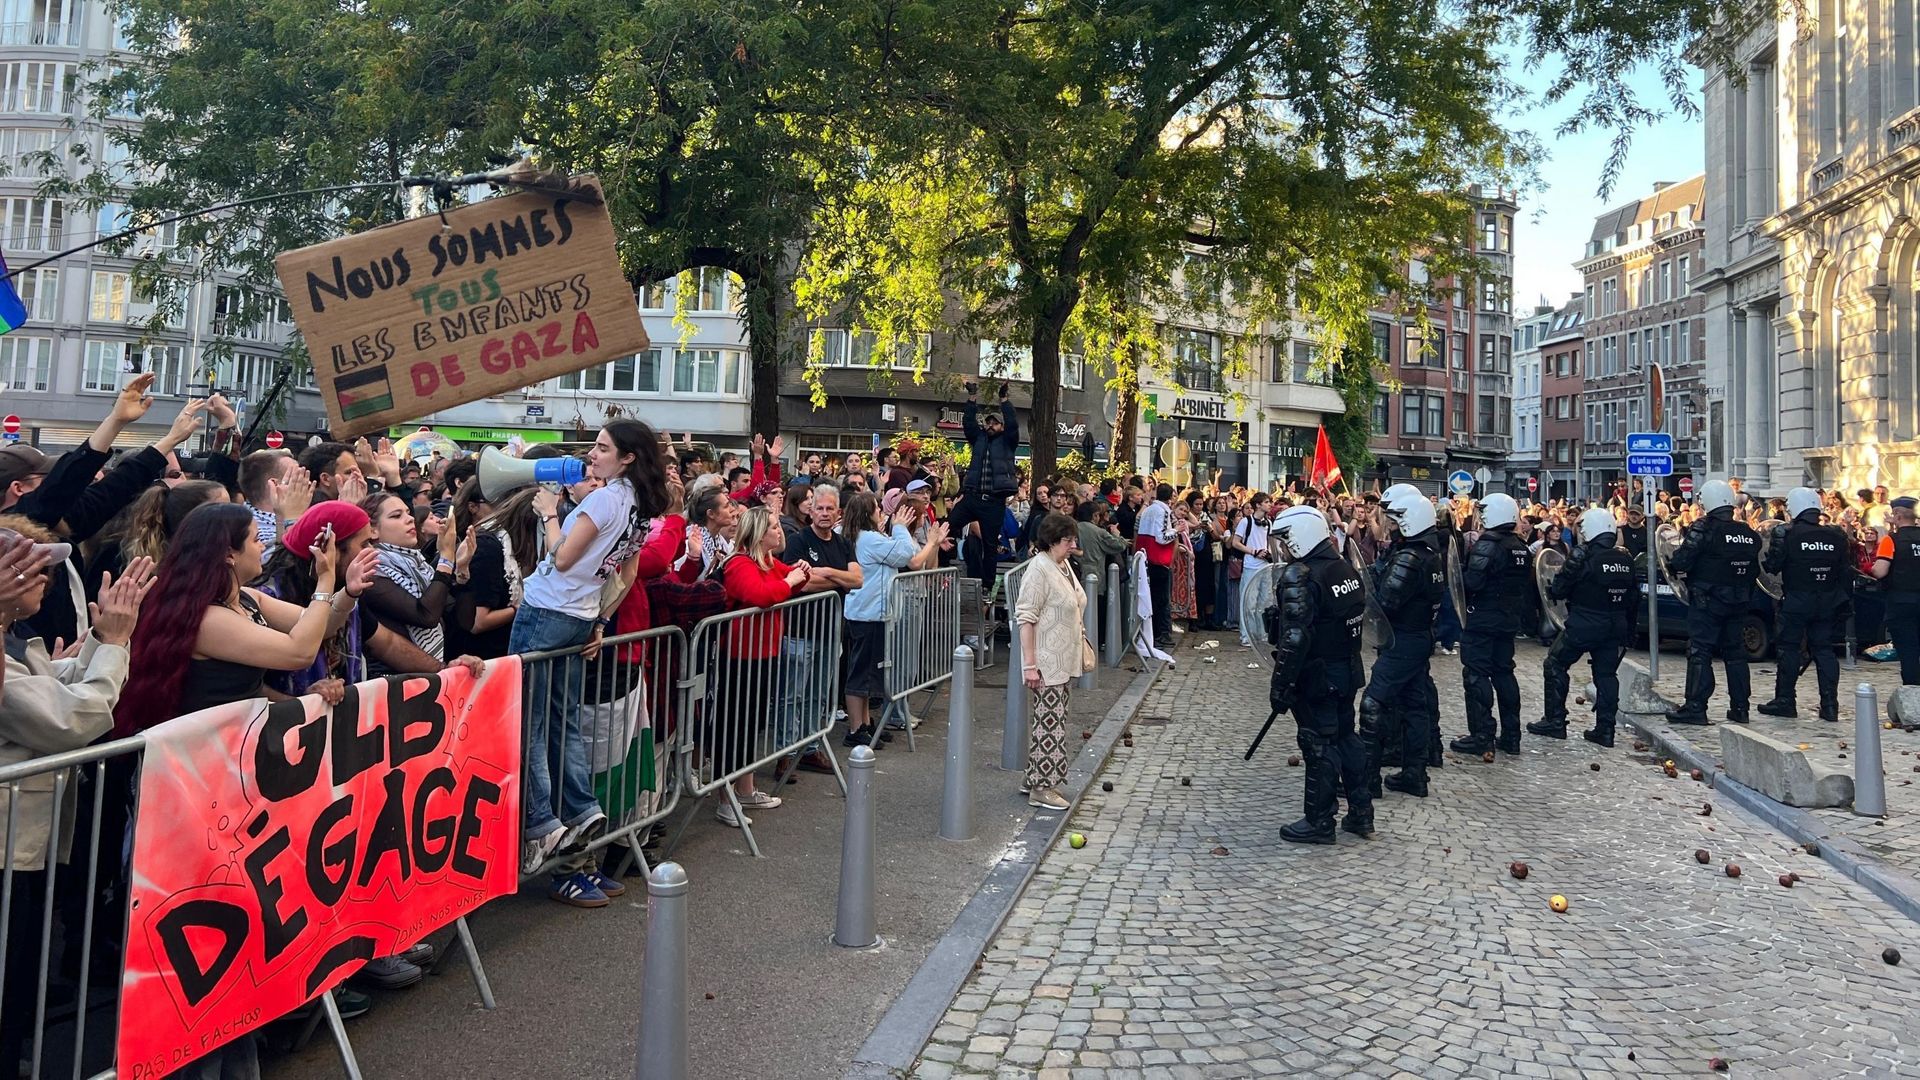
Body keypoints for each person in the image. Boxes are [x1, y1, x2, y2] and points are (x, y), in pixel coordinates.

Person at [0, 521, 152, 1078]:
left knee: (20, 976)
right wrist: (111, 643)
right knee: (9, 975)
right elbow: (70, 718)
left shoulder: (15, 638)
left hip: (26, 843)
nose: (46, 577)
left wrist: (100, 640)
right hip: (10, 849)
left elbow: (53, 684)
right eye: (33, 566)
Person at [513, 421, 671, 879]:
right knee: (561, 719)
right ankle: (581, 810)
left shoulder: (603, 499)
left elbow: (561, 557)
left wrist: (548, 513)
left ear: (627, 458)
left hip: (547, 611)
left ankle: (542, 822)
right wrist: (600, 621)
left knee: (530, 723)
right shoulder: (641, 508)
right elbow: (627, 573)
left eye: (602, 448)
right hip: (580, 616)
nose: (591, 456)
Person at [1264, 506, 1370, 843]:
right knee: (1346, 737)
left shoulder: (1302, 575)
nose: (1284, 547)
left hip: (1319, 674)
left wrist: (1281, 683)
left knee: (1318, 743)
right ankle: (1361, 813)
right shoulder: (1345, 570)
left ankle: (1320, 822)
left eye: (1286, 539)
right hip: (1346, 669)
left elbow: (1296, 637)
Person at [711, 507, 807, 827]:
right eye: (774, 527)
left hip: (764, 654)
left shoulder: (766, 561)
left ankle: (746, 789)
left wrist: (798, 572)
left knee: (753, 724)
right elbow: (760, 595)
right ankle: (726, 799)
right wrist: (792, 578)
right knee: (735, 727)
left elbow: (793, 579)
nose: (780, 532)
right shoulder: (739, 563)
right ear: (759, 533)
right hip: (739, 657)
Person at [1360, 485, 1445, 799]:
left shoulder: (1410, 556)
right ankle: (1414, 774)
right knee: (1414, 706)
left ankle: (1366, 781)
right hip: (1418, 637)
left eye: (1395, 521)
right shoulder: (1428, 551)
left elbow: (1386, 601)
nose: (1390, 525)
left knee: (1373, 704)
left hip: (1403, 640)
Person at [843, 491, 946, 747]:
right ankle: (856, 727)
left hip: (876, 613)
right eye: (877, 507)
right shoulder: (867, 539)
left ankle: (865, 722)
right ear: (868, 513)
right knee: (861, 674)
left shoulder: (872, 537)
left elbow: (907, 553)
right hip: (868, 614)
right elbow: (906, 556)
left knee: (869, 675)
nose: (882, 512)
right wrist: (900, 528)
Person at [1527, 509, 1634, 746]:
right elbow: (1634, 597)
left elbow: (1560, 588)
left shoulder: (1583, 556)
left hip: (1584, 624)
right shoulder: (1625, 558)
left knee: (1555, 663)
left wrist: (1553, 588)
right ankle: (1605, 730)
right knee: (1606, 675)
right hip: (1615, 624)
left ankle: (1555, 722)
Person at [778, 483, 861, 776]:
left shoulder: (843, 544)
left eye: (830, 509)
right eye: (820, 508)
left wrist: (825, 572)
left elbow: (858, 579)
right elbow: (801, 581)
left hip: (829, 631)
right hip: (800, 631)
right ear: (811, 511)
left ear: (838, 512)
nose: (824, 514)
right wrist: (839, 579)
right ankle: (785, 751)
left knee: (818, 695)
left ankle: (810, 748)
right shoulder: (798, 541)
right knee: (791, 694)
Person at [1664, 479, 1762, 726]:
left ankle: (1696, 707)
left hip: (1708, 600)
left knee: (1700, 651)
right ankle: (1740, 708)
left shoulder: (1704, 528)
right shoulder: (1748, 533)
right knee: (1736, 654)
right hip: (1739, 601)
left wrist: (1673, 563)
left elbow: (1683, 559)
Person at [1014, 512, 1091, 811]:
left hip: (1062, 657)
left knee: (1053, 720)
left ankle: (1032, 778)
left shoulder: (1062, 565)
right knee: (1050, 726)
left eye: (1073, 539)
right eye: (1067, 540)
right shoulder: (1039, 569)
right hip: (1046, 660)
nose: (1072, 545)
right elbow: (1026, 618)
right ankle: (1043, 788)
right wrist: (1029, 665)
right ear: (1051, 540)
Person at [1757, 487, 1854, 722]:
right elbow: (1845, 571)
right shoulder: (1836, 535)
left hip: (1797, 600)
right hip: (1827, 601)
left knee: (1788, 649)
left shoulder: (1786, 533)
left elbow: (1772, 566)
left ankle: (1785, 701)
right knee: (1824, 650)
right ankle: (1830, 705)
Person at [1452, 493, 1529, 756]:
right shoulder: (1520, 546)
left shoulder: (1488, 544)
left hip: (1483, 618)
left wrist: (1458, 575)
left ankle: (1482, 735)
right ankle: (1511, 735)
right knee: (1504, 673)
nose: (1481, 518)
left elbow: (1473, 582)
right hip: (1508, 620)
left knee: (1475, 674)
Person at [357, 492, 459, 670]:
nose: (410, 519)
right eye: (397, 516)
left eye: (407, 512)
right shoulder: (371, 570)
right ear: (372, 530)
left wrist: (462, 574)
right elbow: (426, 615)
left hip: (427, 671)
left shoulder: (417, 563)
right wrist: (446, 559)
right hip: (392, 681)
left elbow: (455, 614)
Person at [953, 379, 1020, 583]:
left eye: (995, 423)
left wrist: (1004, 400)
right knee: (948, 526)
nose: (990, 425)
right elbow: (968, 423)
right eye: (988, 422)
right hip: (972, 498)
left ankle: (986, 589)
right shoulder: (979, 438)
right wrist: (972, 398)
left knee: (990, 546)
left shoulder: (1008, 441)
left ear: (1002, 426)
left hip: (993, 502)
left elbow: (1013, 423)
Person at [1871, 495, 1920, 686]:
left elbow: (1880, 571)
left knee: (1908, 650)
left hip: (1902, 601)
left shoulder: (1891, 540)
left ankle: (1913, 694)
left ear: (1897, 515)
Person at [1134, 483, 1176, 649]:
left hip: (1147, 557)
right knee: (1162, 600)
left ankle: (1154, 633)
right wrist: (1176, 531)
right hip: (1158, 559)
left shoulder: (1148, 510)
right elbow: (1161, 537)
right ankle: (1162, 634)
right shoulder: (1163, 511)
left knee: (1151, 598)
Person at [1232, 492, 1273, 648]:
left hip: (1265, 566)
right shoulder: (1245, 522)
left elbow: (1269, 541)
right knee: (1248, 602)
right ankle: (1246, 635)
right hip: (1250, 565)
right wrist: (1253, 551)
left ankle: (1261, 634)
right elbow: (1236, 542)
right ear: (1258, 505)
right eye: (1267, 502)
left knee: (1265, 602)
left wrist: (1268, 552)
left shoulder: (1269, 523)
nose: (1269, 504)